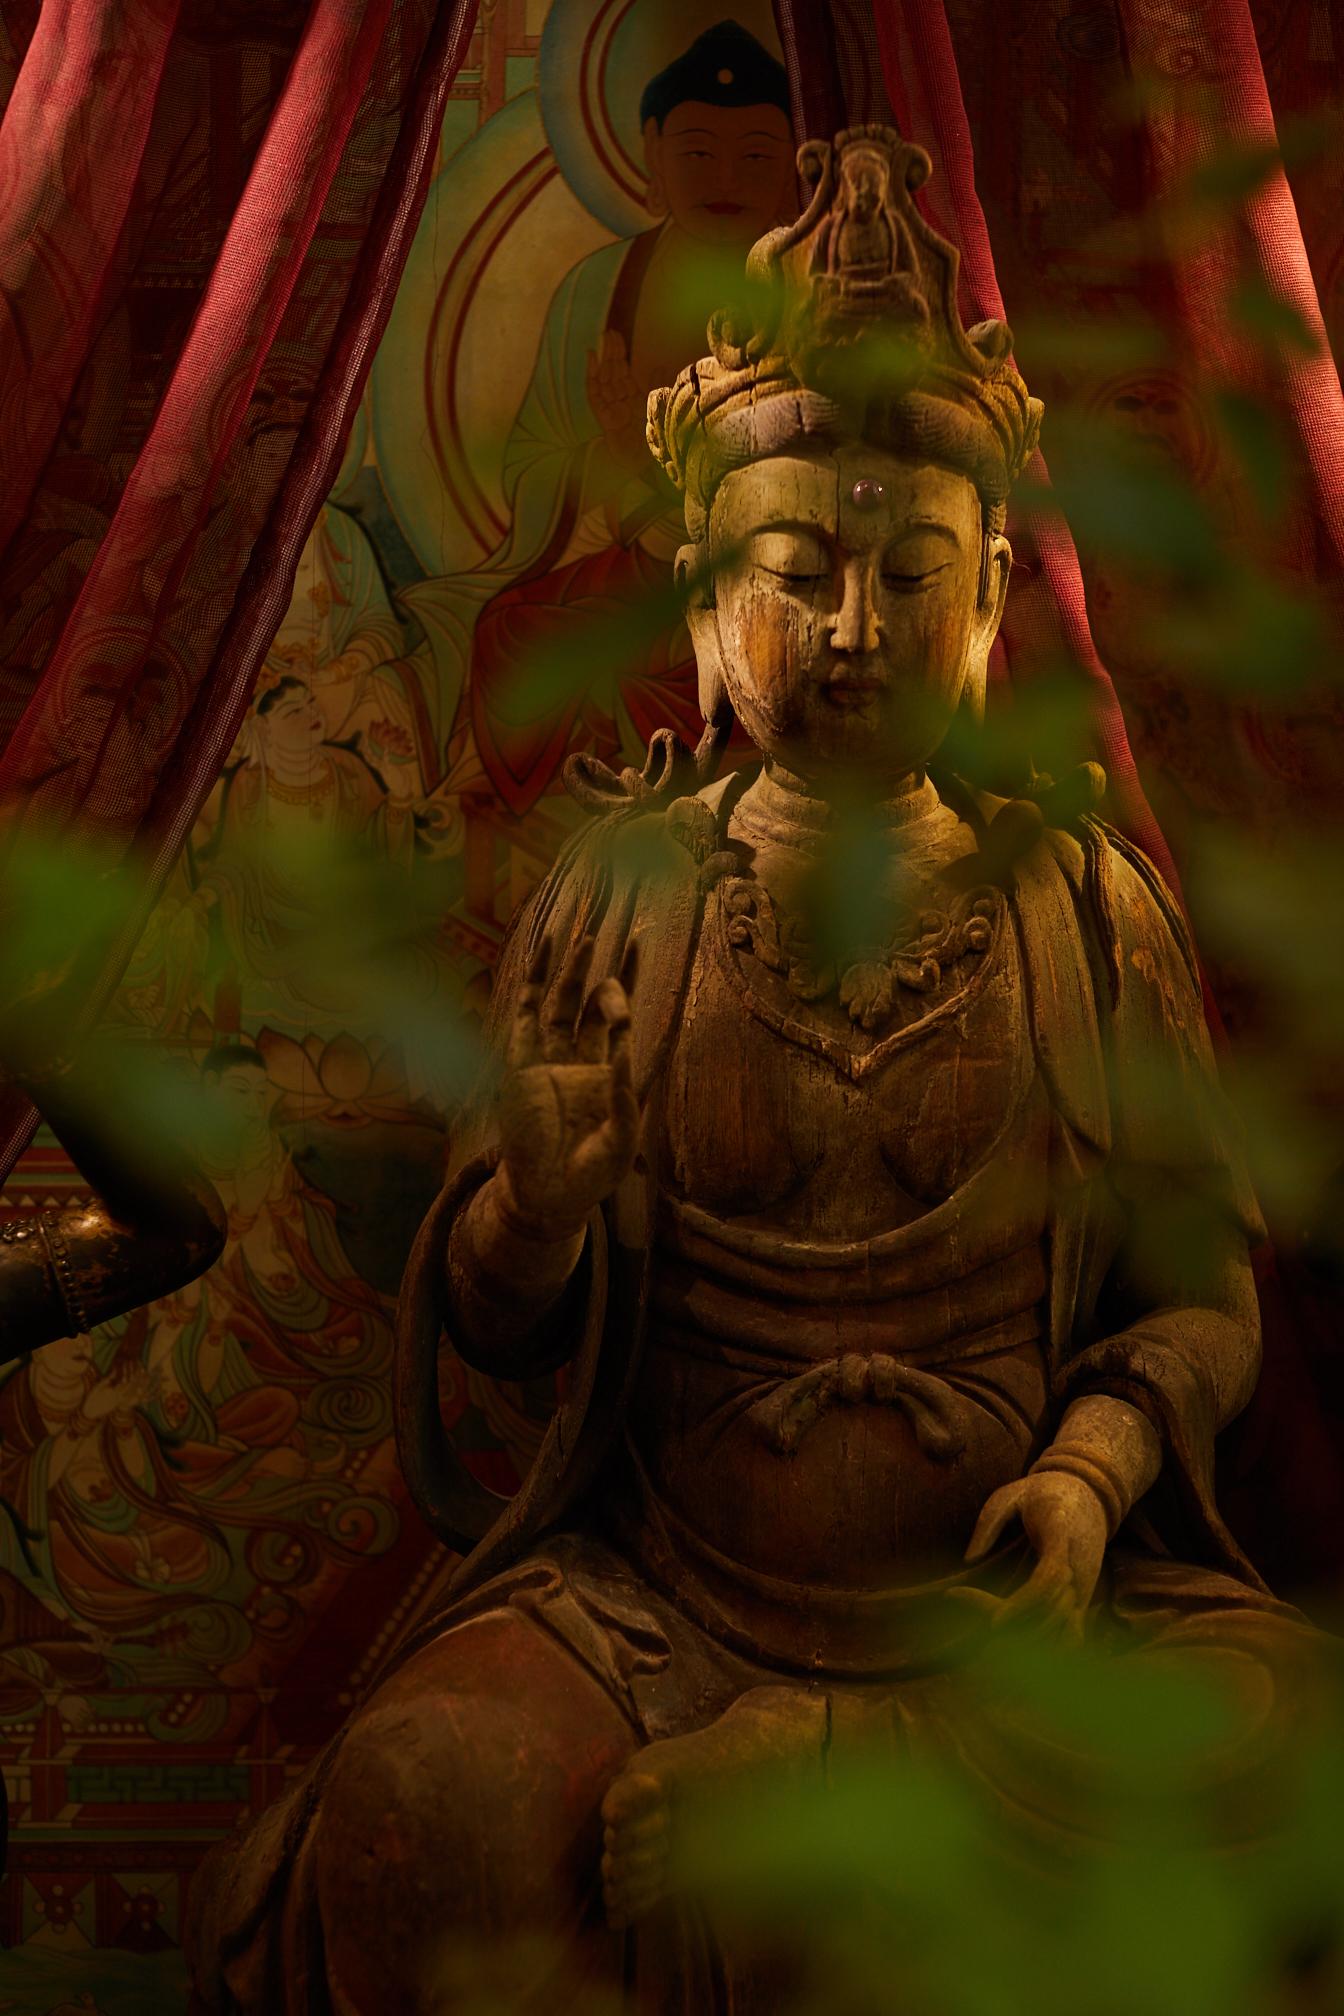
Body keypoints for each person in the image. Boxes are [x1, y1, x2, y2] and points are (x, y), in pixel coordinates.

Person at [188, 127, 1328, 2016]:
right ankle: (811, 1752)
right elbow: (496, 1331)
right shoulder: (617, 898)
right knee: (416, 1804)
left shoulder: (1082, 904)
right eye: (798, 572)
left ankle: (841, 1757)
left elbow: (1200, 1296)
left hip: (1008, 1622)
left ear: (989, 603)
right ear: (707, 602)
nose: (857, 630)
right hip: (662, 1616)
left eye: (911, 573)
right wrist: (532, 1216)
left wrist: (1088, 1468)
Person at [405, 19, 798, 817]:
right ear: (651, 152)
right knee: (511, 632)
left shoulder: (820, 289)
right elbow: (533, 460)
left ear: (796, 163)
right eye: (697, 153)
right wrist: (612, 456)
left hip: (787, 564)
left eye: (756, 156)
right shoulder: (596, 290)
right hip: (641, 558)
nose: (725, 177)